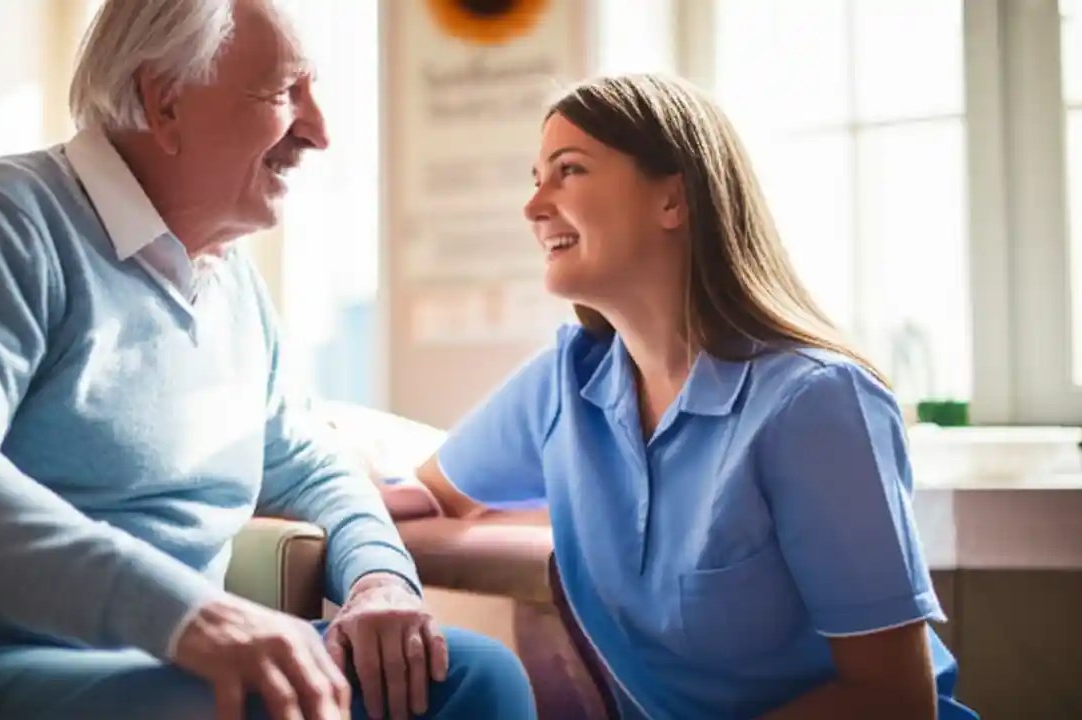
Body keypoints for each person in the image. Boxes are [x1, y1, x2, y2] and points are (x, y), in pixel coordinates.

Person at [0, 1, 536, 719]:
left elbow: (310, 464)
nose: (319, 130)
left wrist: (380, 581)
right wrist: (189, 616)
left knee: (473, 676)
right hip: (3, 660)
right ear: (164, 101)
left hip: (178, 661)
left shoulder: (229, 278)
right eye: (283, 92)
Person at [416, 74, 978, 720]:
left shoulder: (815, 405)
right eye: (535, 176)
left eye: (568, 171)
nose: (533, 205)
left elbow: (894, 702)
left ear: (674, 200)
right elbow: (431, 491)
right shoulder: (561, 387)